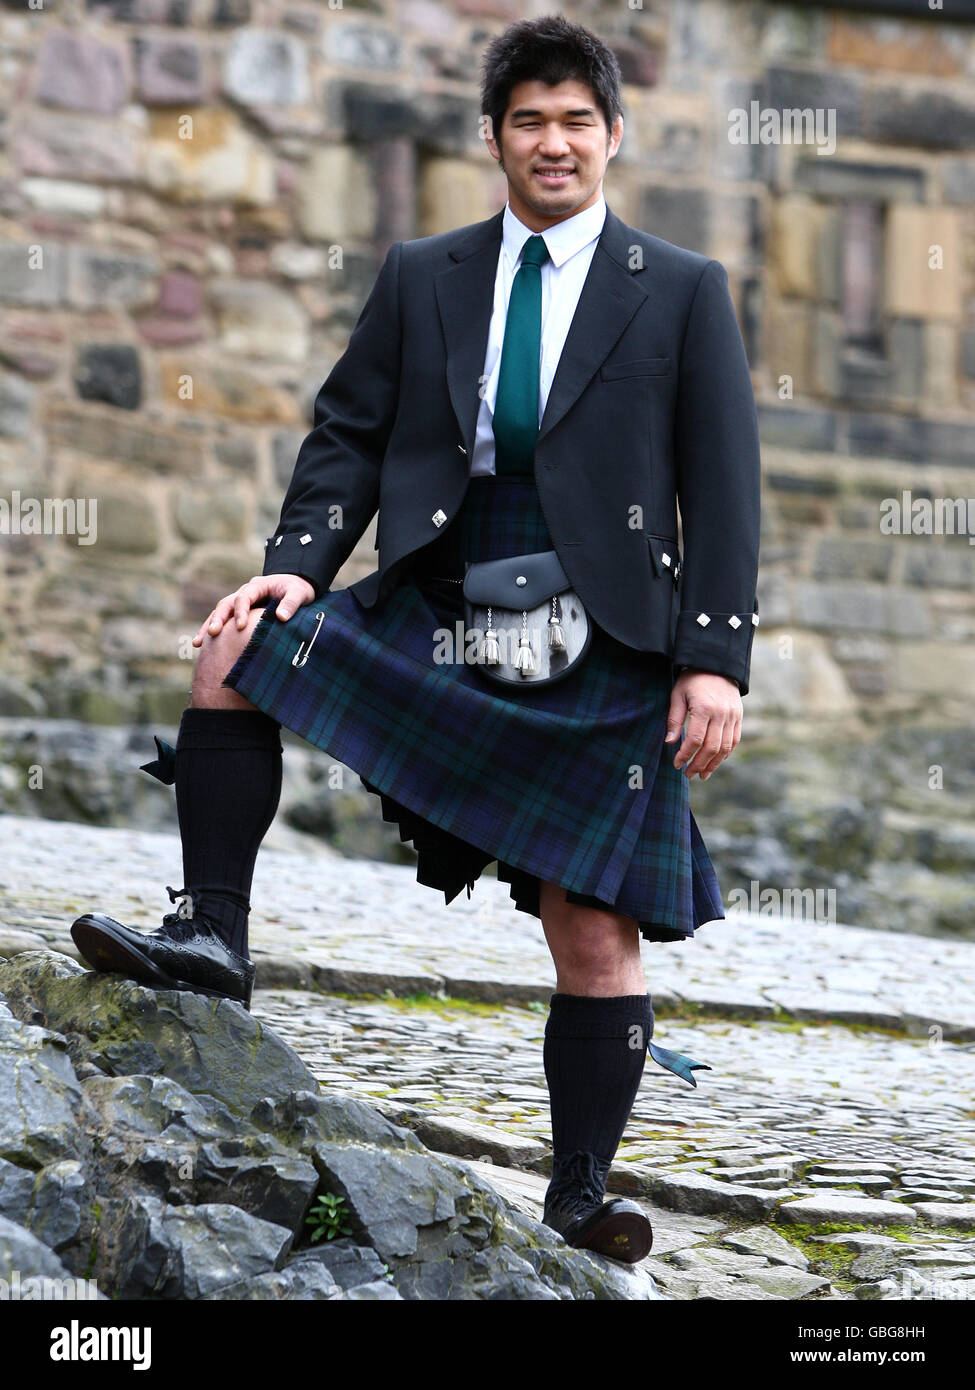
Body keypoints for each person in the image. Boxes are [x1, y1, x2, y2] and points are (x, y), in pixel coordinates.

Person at [71, 14, 761, 1264]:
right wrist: (291, 572)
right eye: (530, 121)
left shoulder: (685, 291)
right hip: (439, 589)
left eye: (577, 121)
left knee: (588, 917)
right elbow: (347, 433)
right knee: (229, 650)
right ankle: (213, 935)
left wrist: (714, 655)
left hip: (602, 624)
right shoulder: (423, 273)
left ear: (615, 135)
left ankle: (580, 1193)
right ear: (493, 137)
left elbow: (724, 483)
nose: (555, 143)